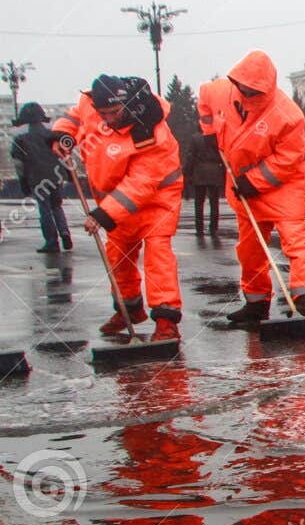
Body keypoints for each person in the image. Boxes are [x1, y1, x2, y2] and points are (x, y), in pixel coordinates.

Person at [52, 75, 184, 339]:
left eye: (113, 113)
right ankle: (130, 310)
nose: (108, 119)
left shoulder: (151, 129)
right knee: (118, 256)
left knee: (158, 256)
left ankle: (166, 321)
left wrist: (103, 213)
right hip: (116, 201)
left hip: (156, 199)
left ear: (128, 104)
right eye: (103, 114)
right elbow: (75, 117)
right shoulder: (91, 105)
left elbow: (142, 181)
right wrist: (63, 136)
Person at [204, 51, 305, 323]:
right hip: (243, 186)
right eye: (242, 86)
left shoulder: (288, 115)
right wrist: (209, 133)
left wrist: (254, 181)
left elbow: (288, 158)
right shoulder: (221, 92)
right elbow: (204, 102)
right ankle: (256, 304)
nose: (245, 92)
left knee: (295, 240)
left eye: (252, 89)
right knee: (250, 248)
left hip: (286, 182)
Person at [10, 102, 72, 253]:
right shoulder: (52, 135)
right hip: (56, 175)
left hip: (36, 178)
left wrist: (23, 181)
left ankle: (52, 242)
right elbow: (65, 155)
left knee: (44, 208)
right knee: (57, 205)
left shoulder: (21, 140)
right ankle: (64, 232)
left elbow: (19, 164)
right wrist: (68, 174)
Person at [185, 122, 225, 236]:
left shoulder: (195, 138)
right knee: (214, 202)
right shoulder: (216, 138)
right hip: (215, 171)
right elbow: (222, 155)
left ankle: (199, 228)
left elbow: (190, 156)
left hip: (200, 172)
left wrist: (187, 172)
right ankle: (213, 227)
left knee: (199, 202)